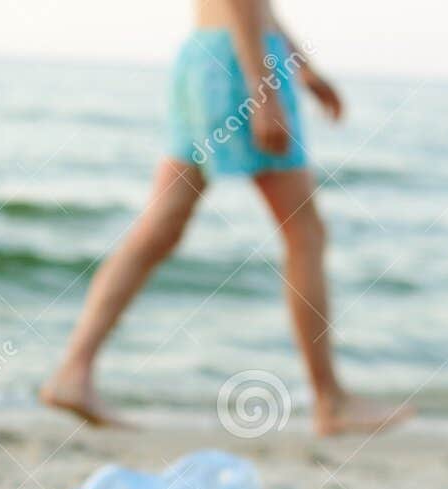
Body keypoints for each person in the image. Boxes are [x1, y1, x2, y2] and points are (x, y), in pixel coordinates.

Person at [42, 0, 414, 437]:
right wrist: (265, 89)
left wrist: (302, 67)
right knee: (305, 233)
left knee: (161, 227)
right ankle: (330, 400)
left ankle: (74, 371)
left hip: (206, 60)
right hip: (241, 67)